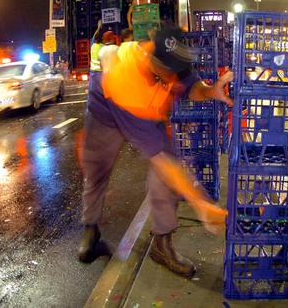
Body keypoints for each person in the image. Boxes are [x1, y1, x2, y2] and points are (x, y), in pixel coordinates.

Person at [78, 22, 231, 278]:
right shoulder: (126, 79)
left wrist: (209, 91)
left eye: (177, 68)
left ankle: (162, 244)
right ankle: (90, 230)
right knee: (97, 172)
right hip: (105, 114)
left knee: (166, 174)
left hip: (147, 112)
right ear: (148, 55)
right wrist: (200, 204)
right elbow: (161, 161)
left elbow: (190, 85)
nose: (174, 77)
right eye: (167, 71)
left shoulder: (171, 59)